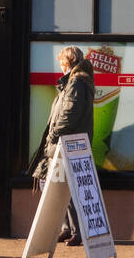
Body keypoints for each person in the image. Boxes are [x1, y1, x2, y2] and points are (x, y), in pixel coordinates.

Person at [28, 46, 95, 246]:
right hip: (66, 143)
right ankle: (67, 228)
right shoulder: (75, 82)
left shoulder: (75, 83)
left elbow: (68, 115)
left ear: (67, 62)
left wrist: (54, 134)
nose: (60, 65)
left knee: (63, 187)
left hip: (64, 144)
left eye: (62, 62)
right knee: (54, 184)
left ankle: (75, 231)